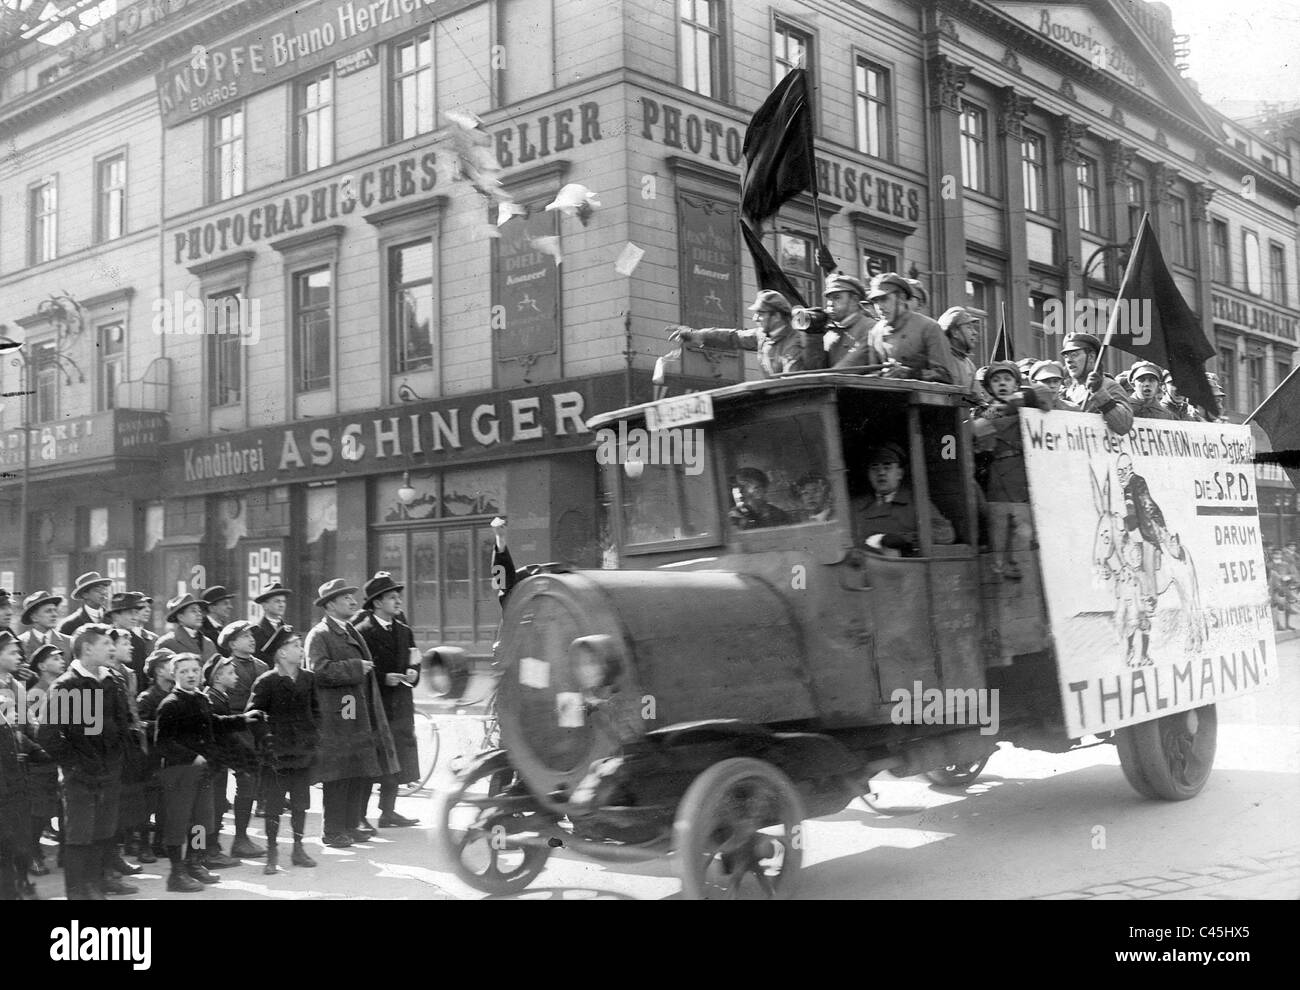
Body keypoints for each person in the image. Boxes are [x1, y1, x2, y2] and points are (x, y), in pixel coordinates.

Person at [37, 624, 135, 899]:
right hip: (81, 776)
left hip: (109, 772)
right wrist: (76, 765)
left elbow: (123, 722)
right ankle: (78, 892)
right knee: (80, 835)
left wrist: (118, 759)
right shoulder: (69, 685)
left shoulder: (112, 680)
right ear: (87, 648)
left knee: (103, 831)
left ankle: (96, 885)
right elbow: (48, 735)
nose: (113, 648)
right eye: (106, 643)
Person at [304, 579, 399, 848]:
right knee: (338, 775)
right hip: (336, 717)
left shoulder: (349, 630)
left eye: (351, 596)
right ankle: (332, 831)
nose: (353, 601)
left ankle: (350, 826)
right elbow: (318, 671)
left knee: (357, 771)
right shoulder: (320, 634)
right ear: (330, 604)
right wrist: (355, 666)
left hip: (356, 714)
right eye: (345, 597)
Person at [156, 653, 262, 892]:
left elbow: (214, 722)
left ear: (201, 673)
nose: (191, 675)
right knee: (179, 824)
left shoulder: (201, 699)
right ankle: (176, 873)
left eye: (194, 670)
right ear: (174, 676)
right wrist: (192, 757)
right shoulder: (170, 704)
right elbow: (163, 743)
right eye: (184, 672)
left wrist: (242, 719)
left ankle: (195, 863)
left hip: (203, 771)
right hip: (180, 772)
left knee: (201, 821)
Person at [973, 362, 1075, 580]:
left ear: (1016, 383)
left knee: (1024, 534)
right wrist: (1001, 408)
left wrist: (1015, 401)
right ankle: (1001, 569)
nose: (1002, 383)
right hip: (997, 478)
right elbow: (977, 428)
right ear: (989, 387)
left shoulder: (1027, 403)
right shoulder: (985, 410)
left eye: (1007, 379)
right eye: (996, 380)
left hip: (1023, 476)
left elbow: (1046, 396)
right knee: (998, 533)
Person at [248, 626, 320, 875]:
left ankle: (298, 848)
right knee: (274, 806)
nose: (301, 650)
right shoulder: (266, 682)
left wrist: (314, 737)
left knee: (301, 804)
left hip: (302, 752)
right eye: (296, 646)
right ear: (281, 653)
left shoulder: (308, 678)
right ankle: (271, 852)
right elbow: (253, 716)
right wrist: (266, 741)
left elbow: (317, 711)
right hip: (276, 754)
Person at [352, 573, 421, 829]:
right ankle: (359, 817)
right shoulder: (362, 632)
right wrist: (384, 678)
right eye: (392, 597)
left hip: (401, 705)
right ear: (377, 603)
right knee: (373, 762)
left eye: (398, 597)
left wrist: (414, 674)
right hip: (375, 705)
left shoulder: (404, 631)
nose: (398, 601)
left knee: (397, 760)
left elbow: (415, 660)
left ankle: (388, 812)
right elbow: (361, 671)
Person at [839, 273, 957, 383]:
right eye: (875, 301)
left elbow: (946, 375)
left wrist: (910, 373)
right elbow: (874, 372)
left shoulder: (929, 327)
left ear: (901, 298)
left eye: (884, 299)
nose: (879, 307)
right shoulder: (875, 332)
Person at [204, 653, 263, 863]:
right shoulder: (211, 699)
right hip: (212, 762)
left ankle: (210, 849)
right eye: (230, 672)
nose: (235, 676)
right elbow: (218, 729)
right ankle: (205, 852)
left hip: (218, 760)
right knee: (209, 807)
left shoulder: (221, 696)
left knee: (216, 805)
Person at [668, 290, 808, 377]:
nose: (755, 319)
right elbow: (733, 337)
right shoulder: (763, 336)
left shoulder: (794, 342)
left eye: (760, 314)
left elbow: (791, 380)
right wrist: (696, 335)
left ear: (776, 316)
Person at [1, 659, 51, 902]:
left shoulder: (13, 692)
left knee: (17, 840)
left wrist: (38, 751)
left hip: (15, 782)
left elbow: (19, 732)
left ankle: (20, 885)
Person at [103, 628, 148, 877]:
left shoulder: (127, 674)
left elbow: (132, 711)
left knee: (123, 805)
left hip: (128, 743)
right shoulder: (102, 676)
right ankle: (108, 863)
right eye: (124, 643)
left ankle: (116, 855)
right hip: (109, 748)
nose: (130, 648)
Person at [858, 442, 955, 555]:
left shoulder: (916, 502)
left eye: (887, 467)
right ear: (868, 474)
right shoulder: (857, 505)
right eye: (875, 467)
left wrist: (900, 539)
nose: (881, 473)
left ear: (899, 473)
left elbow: (946, 534)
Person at [23, 643, 65, 879]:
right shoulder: (35, 693)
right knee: (40, 810)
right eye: (55, 658)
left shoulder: (63, 688)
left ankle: (61, 853)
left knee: (56, 806)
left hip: (58, 755)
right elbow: (32, 728)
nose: (61, 660)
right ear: (41, 666)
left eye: (62, 656)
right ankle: (33, 851)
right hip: (41, 759)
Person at [135, 649, 176, 865]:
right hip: (150, 759)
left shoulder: (176, 693)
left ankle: (160, 842)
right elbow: (140, 726)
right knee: (147, 804)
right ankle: (143, 846)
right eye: (172, 664)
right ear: (159, 670)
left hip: (171, 758)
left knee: (166, 804)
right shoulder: (147, 697)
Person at [1059, 333, 1134, 434]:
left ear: (1091, 357)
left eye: (1074, 355)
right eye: (1066, 356)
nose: (1069, 360)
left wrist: (1099, 392)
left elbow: (1124, 425)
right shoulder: (1067, 392)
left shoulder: (1109, 386)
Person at [820, 273, 873, 367]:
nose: (830, 304)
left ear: (854, 300)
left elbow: (848, 367)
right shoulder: (830, 330)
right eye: (829, 299)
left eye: (837, 297)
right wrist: (813, 335)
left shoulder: (870, 328)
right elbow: (814, 367)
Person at [156, 593, 217, 666]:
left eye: (199, 611)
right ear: (181, 617)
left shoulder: (209, 643)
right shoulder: (167, 643)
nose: (199, 614)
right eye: (193, 611)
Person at [728, 467, 793, 530]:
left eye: (744, 486)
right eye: (736, 487)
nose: (739, 491)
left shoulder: (779, 515)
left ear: (761, 490)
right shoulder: (735, 516)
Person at [19, 591, 72, 664]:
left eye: (55, 610)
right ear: (34, 617)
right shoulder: (20, 643)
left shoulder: (69, 642)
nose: (54, 614)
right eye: (48, 611)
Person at [106, 592, 148, 683]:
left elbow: (141, 677)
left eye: (136, 613)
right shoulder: (103, 639)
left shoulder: (139, 642)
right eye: (130, 613)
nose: (134, 618)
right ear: (115, 615)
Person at [937, 306, 979, 392]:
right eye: (969, 327)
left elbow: (977, 398)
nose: (975, 332)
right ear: (955, 332)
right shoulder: (940, 360)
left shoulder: (969, 365)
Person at [251, 583, 293, 660]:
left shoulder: (288, 630)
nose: (282, 605)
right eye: (277, 601)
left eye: (283, 601)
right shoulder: (256, 631)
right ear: (264, 606)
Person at [201, 587, 237, 651]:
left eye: (229, 603)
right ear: (212, 608)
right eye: (225, 603)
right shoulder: (202, 630)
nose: (230, 607)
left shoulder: (226, 627)